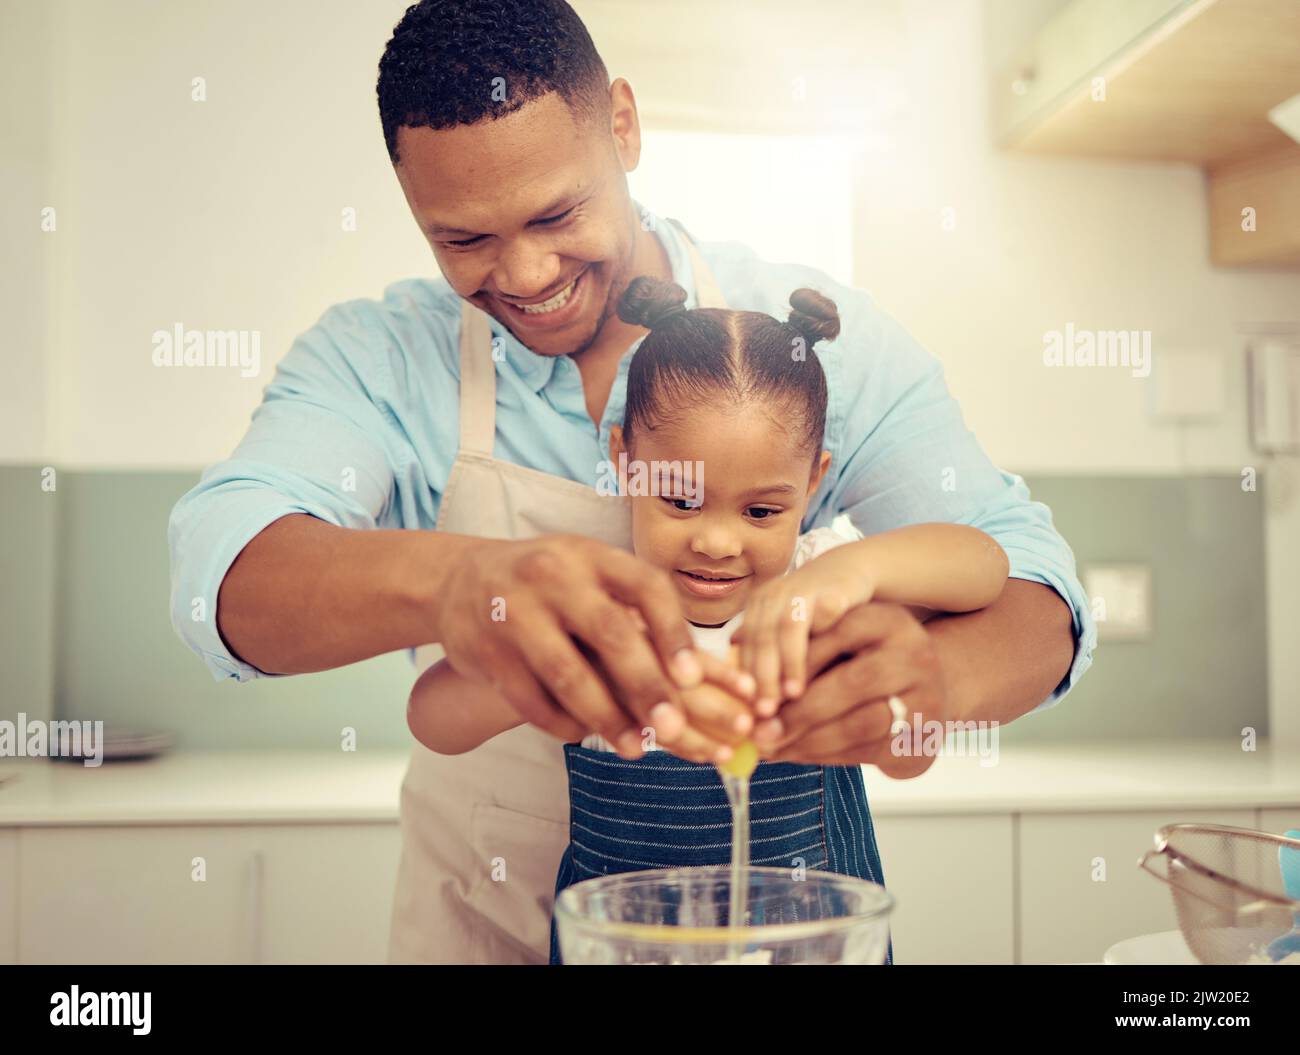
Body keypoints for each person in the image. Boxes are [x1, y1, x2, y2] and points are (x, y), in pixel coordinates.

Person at [167, 0, 1095, 964]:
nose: (525, 272)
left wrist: (932, 683)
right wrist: (463, 589)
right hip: (474, 932)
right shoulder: (378, 357)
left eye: (556, 213)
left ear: (623, 124)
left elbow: (1032, 585)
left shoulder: (802, 355)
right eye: (463, 242)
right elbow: (220, 571)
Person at [407, 275, 1012, 963]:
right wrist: (558, 670)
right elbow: (433, 716)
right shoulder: (598, 610)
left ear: (813, 481)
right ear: (625, 463)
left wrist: (855, 570)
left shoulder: (826, 598)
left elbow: (985, 561)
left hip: (813, 943)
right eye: (681, 501)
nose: (719, 542)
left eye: (761, 512)